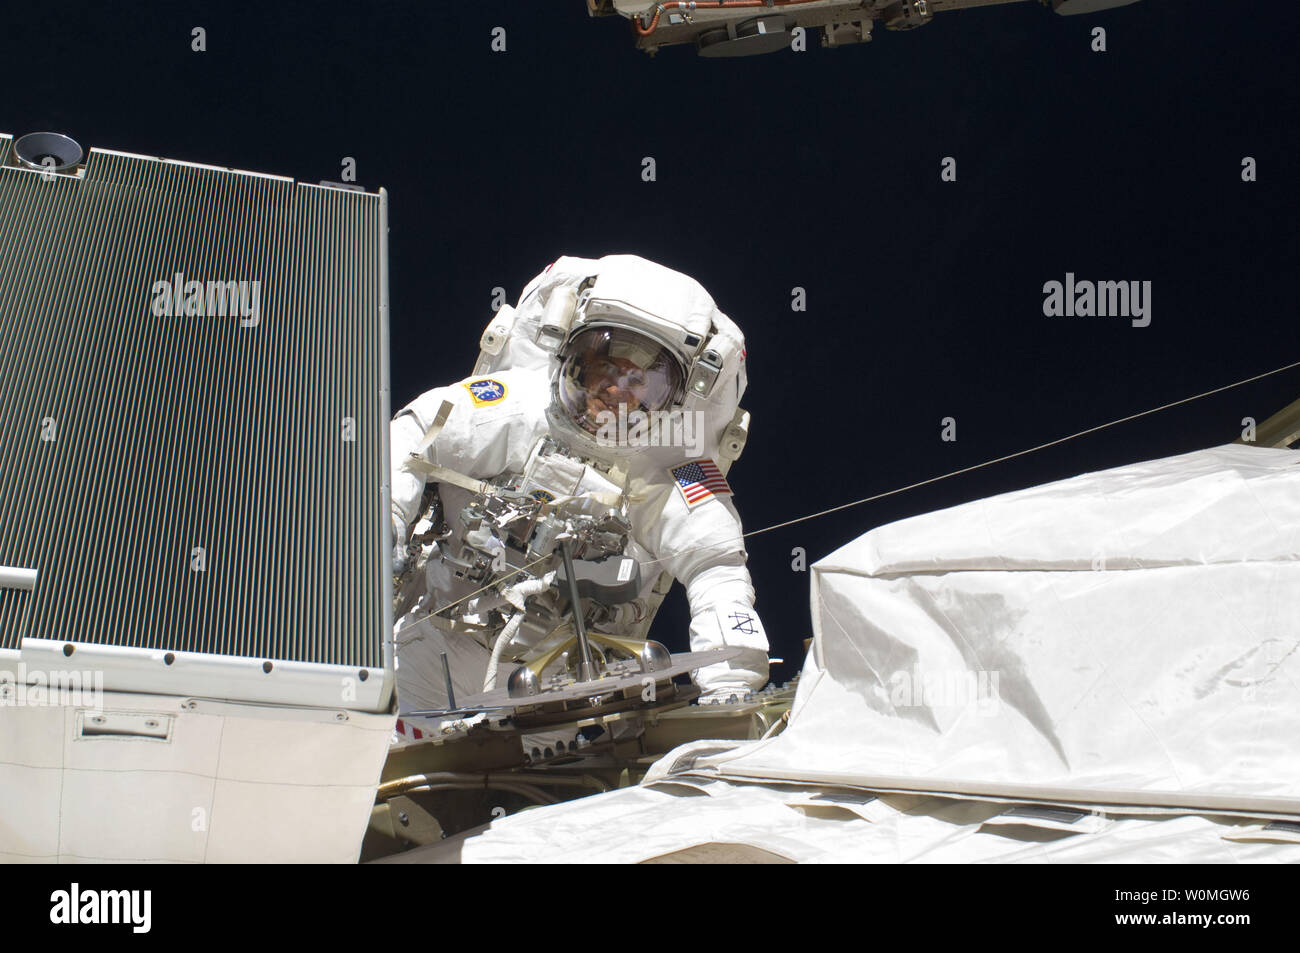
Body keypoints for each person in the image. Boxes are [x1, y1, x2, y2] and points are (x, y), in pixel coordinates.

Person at [388, 254, 768, 729]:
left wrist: (729, 685)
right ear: (574, 358)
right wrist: (388, 520)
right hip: (436, 648)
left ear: (671, 397)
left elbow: (718, 565)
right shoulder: (517, 403)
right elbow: (412, 436)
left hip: (564, 683)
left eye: (641, 381)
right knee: (381, 766)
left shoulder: (675, 463)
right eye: (606, 367)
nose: (617, 391)